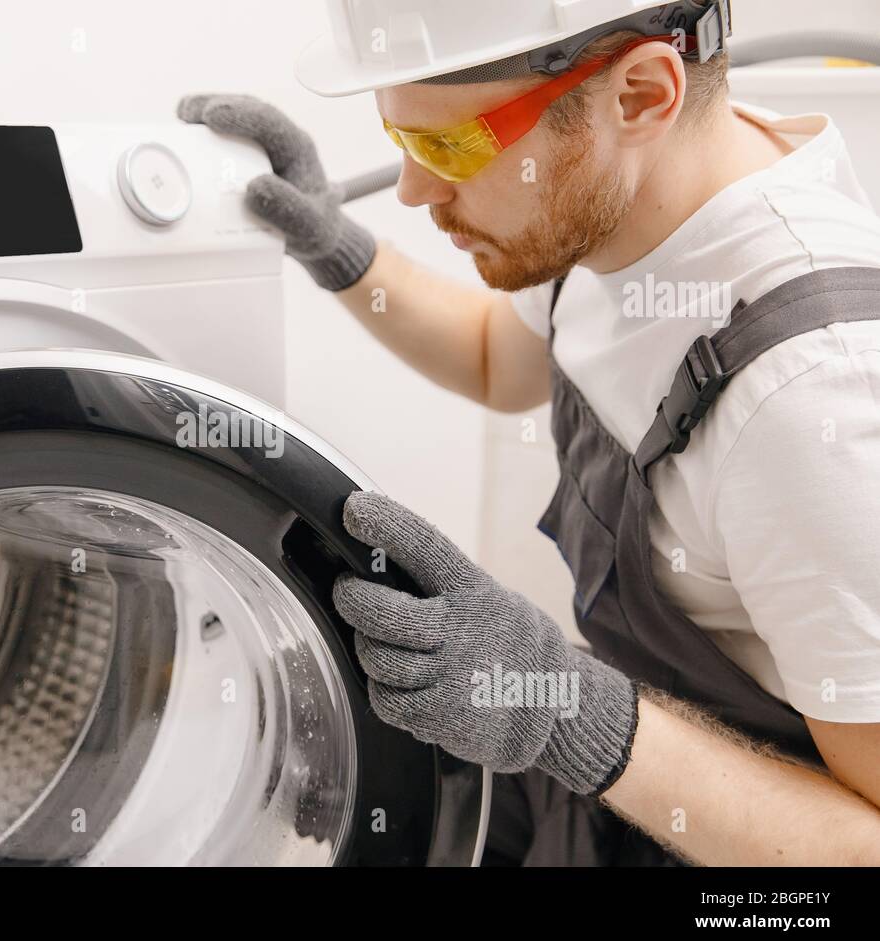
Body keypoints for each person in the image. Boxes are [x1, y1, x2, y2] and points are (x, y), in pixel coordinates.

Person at [178, 0, 880, 865]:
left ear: (639, 96)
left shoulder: (814, 398)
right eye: (401, 139)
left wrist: (571, 713)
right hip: (641, 775)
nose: (413, 191)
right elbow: (494, 359)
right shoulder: (633, 201)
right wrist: (339, 250)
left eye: (450, 147)